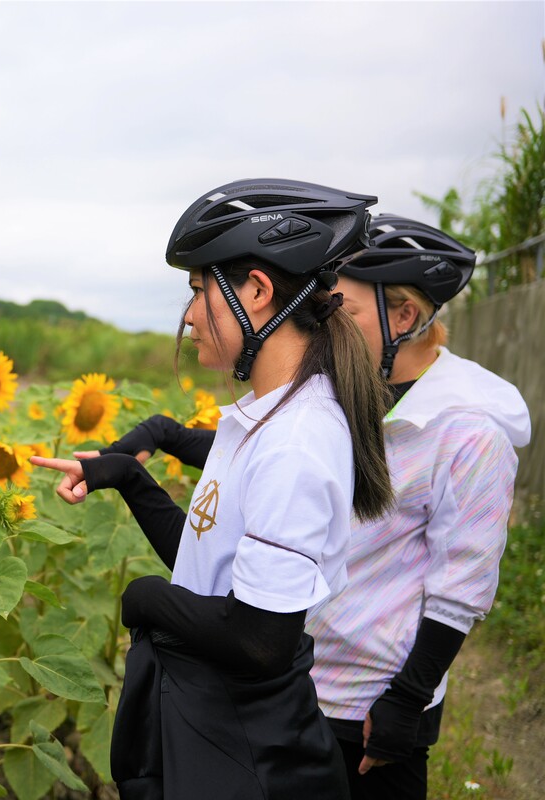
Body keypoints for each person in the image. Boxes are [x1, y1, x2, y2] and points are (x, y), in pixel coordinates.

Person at [97, 215, 532, 800]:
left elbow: (462, 581)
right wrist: (165, 442)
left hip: (368, 696)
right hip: (297, 677)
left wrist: (407, 697)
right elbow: (261, 480)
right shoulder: (353, 400)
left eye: (343, 311)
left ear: (403, 317)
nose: (328, 323)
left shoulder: (469, 431)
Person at [32, 178, 395, 800]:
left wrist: (145, 599)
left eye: (199, 291)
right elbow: (209, 566)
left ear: (256, 291)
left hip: (247, 748)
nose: (190, 315)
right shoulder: (265, 416)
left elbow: (259, 639)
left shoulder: (295, 441)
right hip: (213, 724)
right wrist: (127, 476)